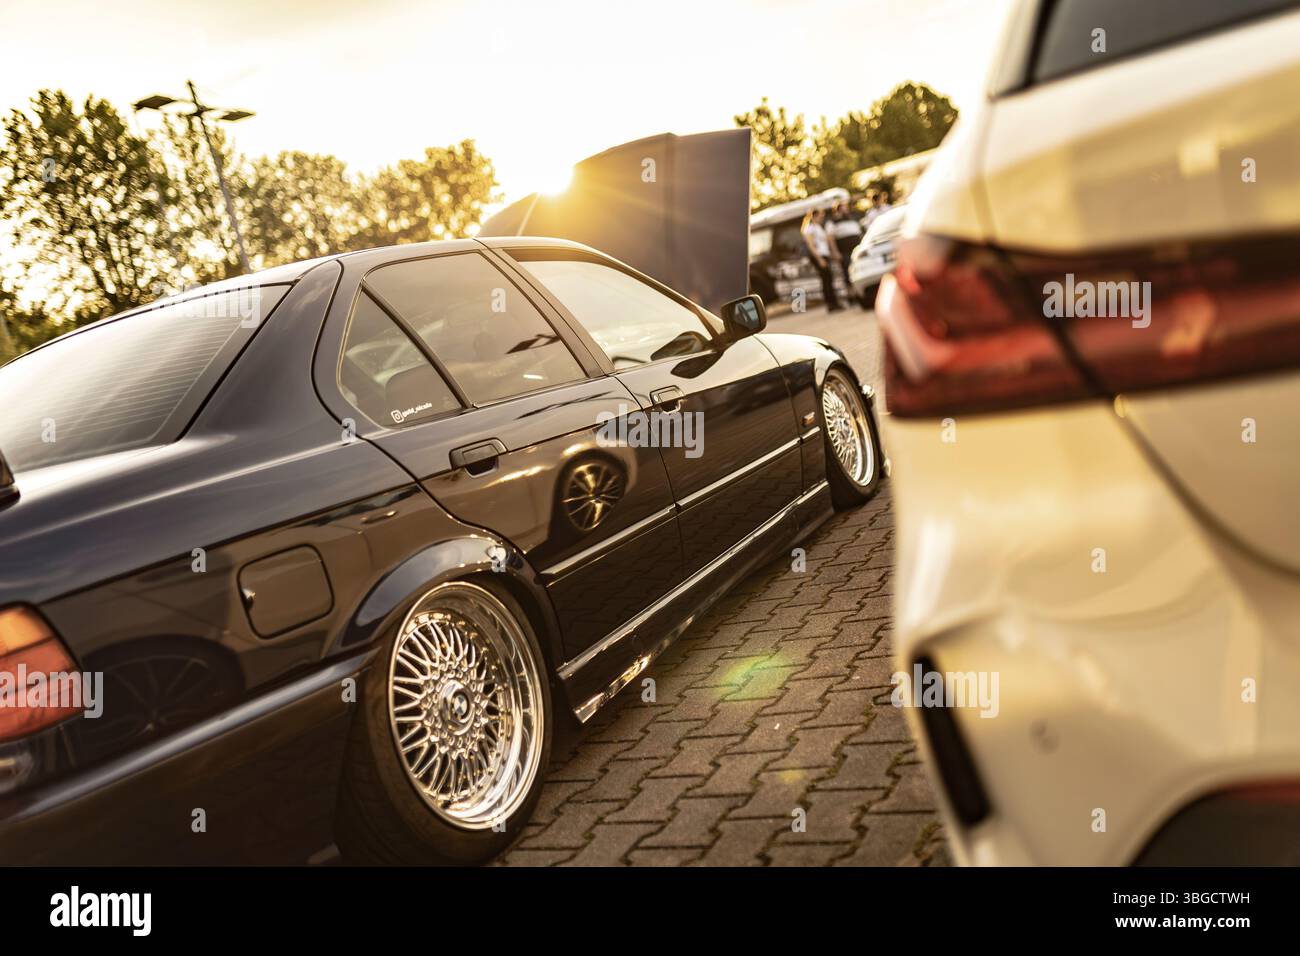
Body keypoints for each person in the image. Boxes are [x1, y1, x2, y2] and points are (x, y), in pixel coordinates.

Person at [801, 208, 842, 312]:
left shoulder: (818, 227)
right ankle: (831, 304)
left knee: (829, 279)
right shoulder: (810, 228)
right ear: (814, 216)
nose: (822, 218)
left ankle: (834, 302)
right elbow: (811, 246)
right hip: (819, 256)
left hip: (824, 255)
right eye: (820, 216)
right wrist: (819, 259)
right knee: (826, 280)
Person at [828, 202, 863, 289]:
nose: (846, 210)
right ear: (838, 210)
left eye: (846, 208)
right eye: (844, 208)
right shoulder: (832, 222)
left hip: (857, 250)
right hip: (844, 251)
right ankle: (851, 293)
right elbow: (830, 238)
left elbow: (859, 234)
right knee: (847, 272)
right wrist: (835, 252)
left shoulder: (852, 219)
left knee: (859, 269)